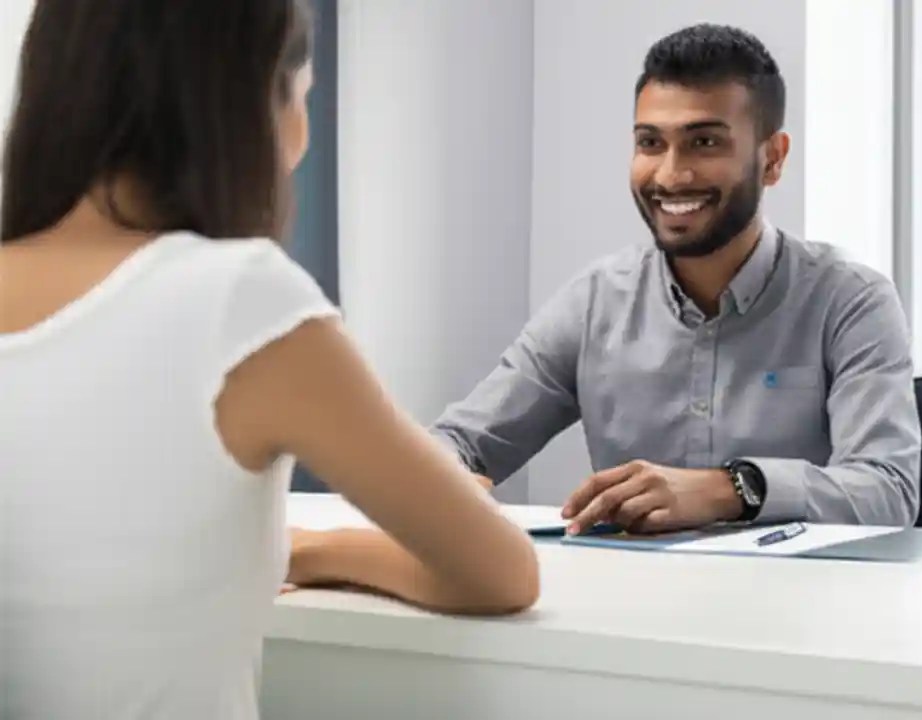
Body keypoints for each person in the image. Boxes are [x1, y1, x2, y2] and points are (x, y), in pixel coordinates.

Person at [0, 1, 537, 718]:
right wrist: (315, 549)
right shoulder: (237, 300)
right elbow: (498, 572)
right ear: (249, 101)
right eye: (303, 97)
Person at [432, 24, 921, 535]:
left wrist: (729, 489)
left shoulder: (851, 301)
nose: (669, 175)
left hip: (800, 606)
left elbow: (888, 492)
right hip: (629, 606)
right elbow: (461, 443)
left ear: (772, 159)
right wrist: (441, 479)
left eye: (703, 142)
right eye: (650, 143)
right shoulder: (594, 302)